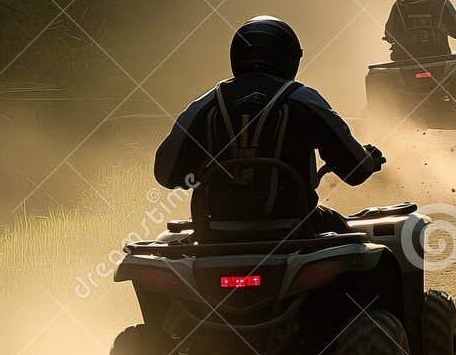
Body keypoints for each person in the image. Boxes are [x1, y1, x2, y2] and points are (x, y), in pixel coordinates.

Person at [155, 16, 384, 235]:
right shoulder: (303, 98)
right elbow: (356, 172)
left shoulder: (205, 103)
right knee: (359, 238)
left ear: (236, 55)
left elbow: (166, 175)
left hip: (214, 233)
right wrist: (369, 160)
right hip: (296, 230)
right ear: (289, 57)